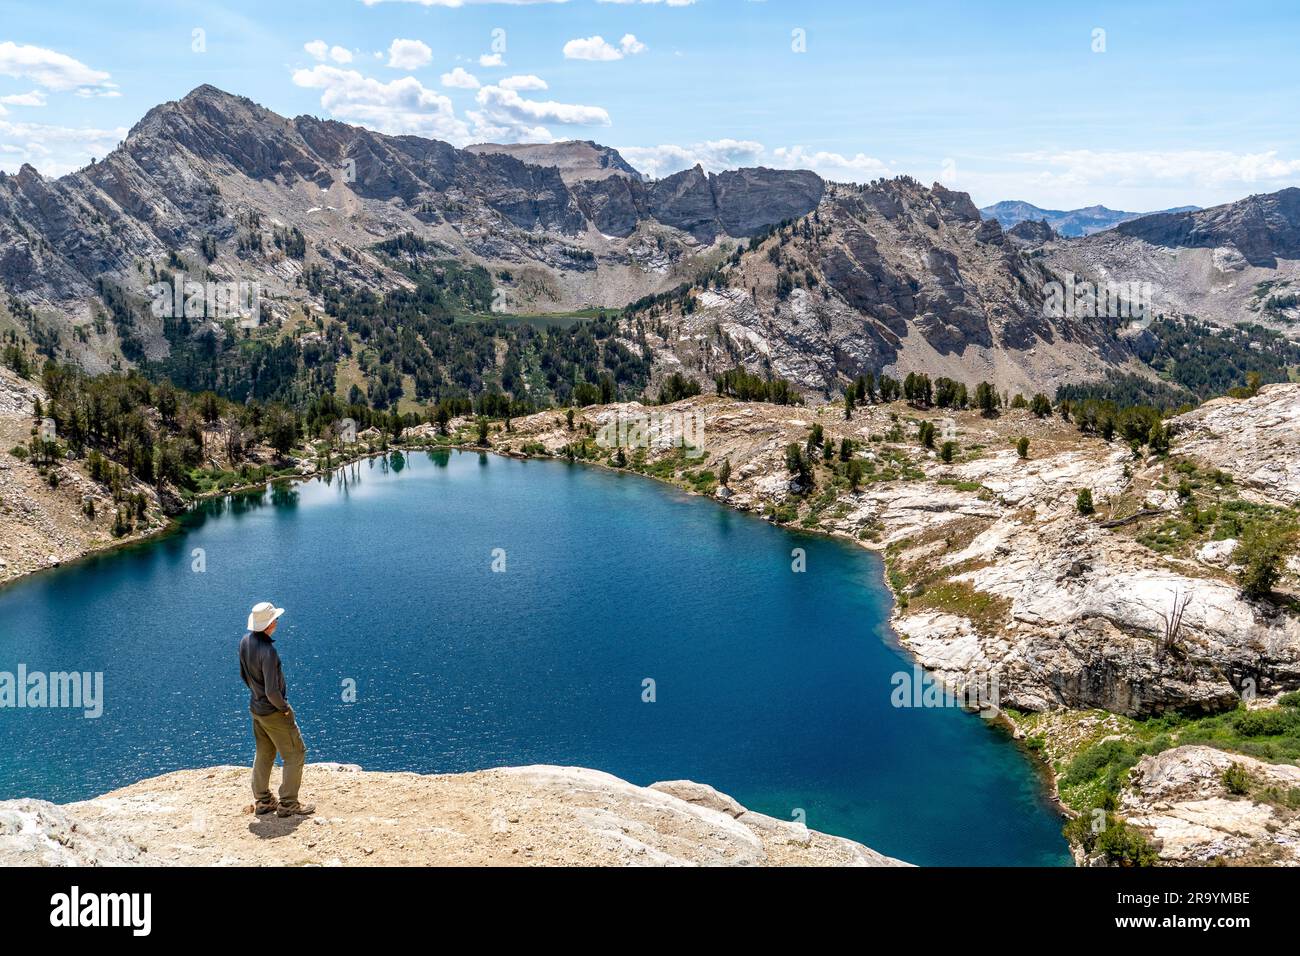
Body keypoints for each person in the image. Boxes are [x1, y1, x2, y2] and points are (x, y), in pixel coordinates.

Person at [238, 602, 314, 818]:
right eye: (274, 619)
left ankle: (263, 801)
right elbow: (272, 691)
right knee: (295, 753)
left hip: (256, 708)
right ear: (269, 624)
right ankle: (289, 804)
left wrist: (257, 695)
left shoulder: (245, 642)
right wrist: (285, 708)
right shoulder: (268, 652)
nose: (277, 622)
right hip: (273, 712)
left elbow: (244, 676)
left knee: (264, 752)